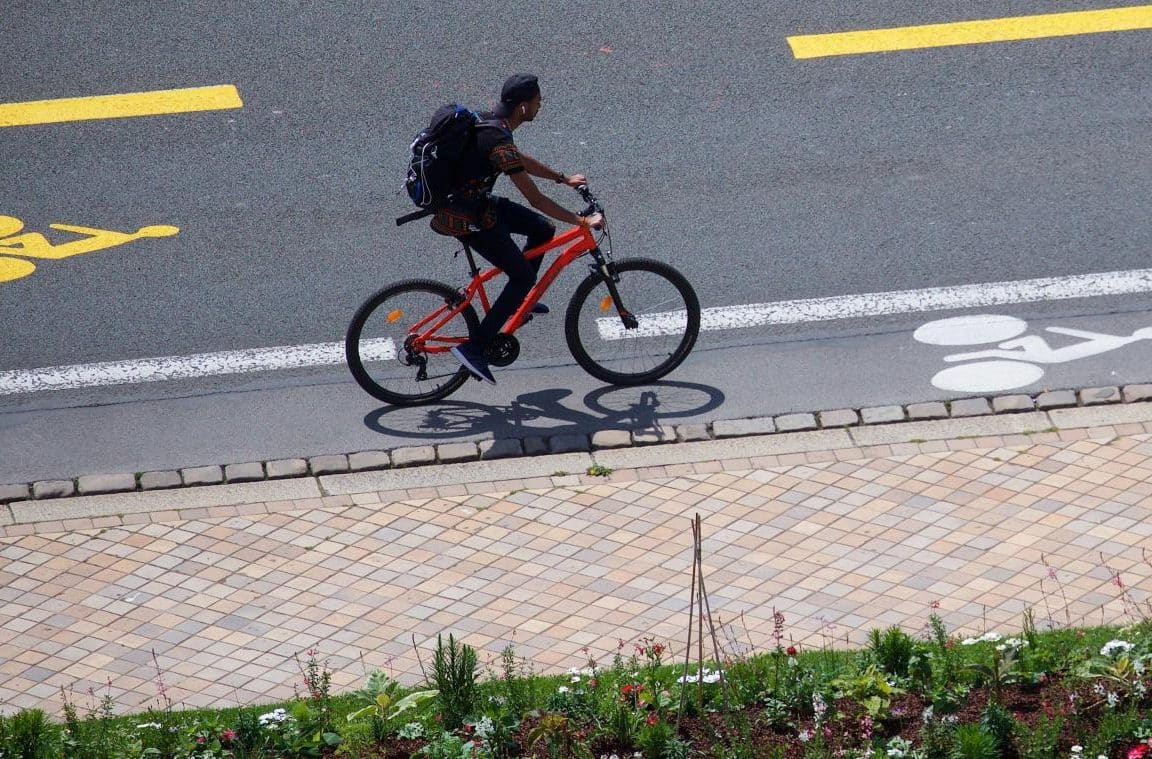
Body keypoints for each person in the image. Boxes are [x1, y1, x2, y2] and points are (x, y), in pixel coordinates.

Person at [434, 73, 603, 386]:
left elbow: (519, 160)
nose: (541, 105)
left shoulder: (491, 123)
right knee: (522, 275)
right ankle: (474, 349)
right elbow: (535, 199)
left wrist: (562, 178)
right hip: (464, 215)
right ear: (523, 107)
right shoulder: (499, 141)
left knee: (542, 229)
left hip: (472, 201)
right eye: (538, 101)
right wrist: (581, 222)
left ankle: (519, 300)